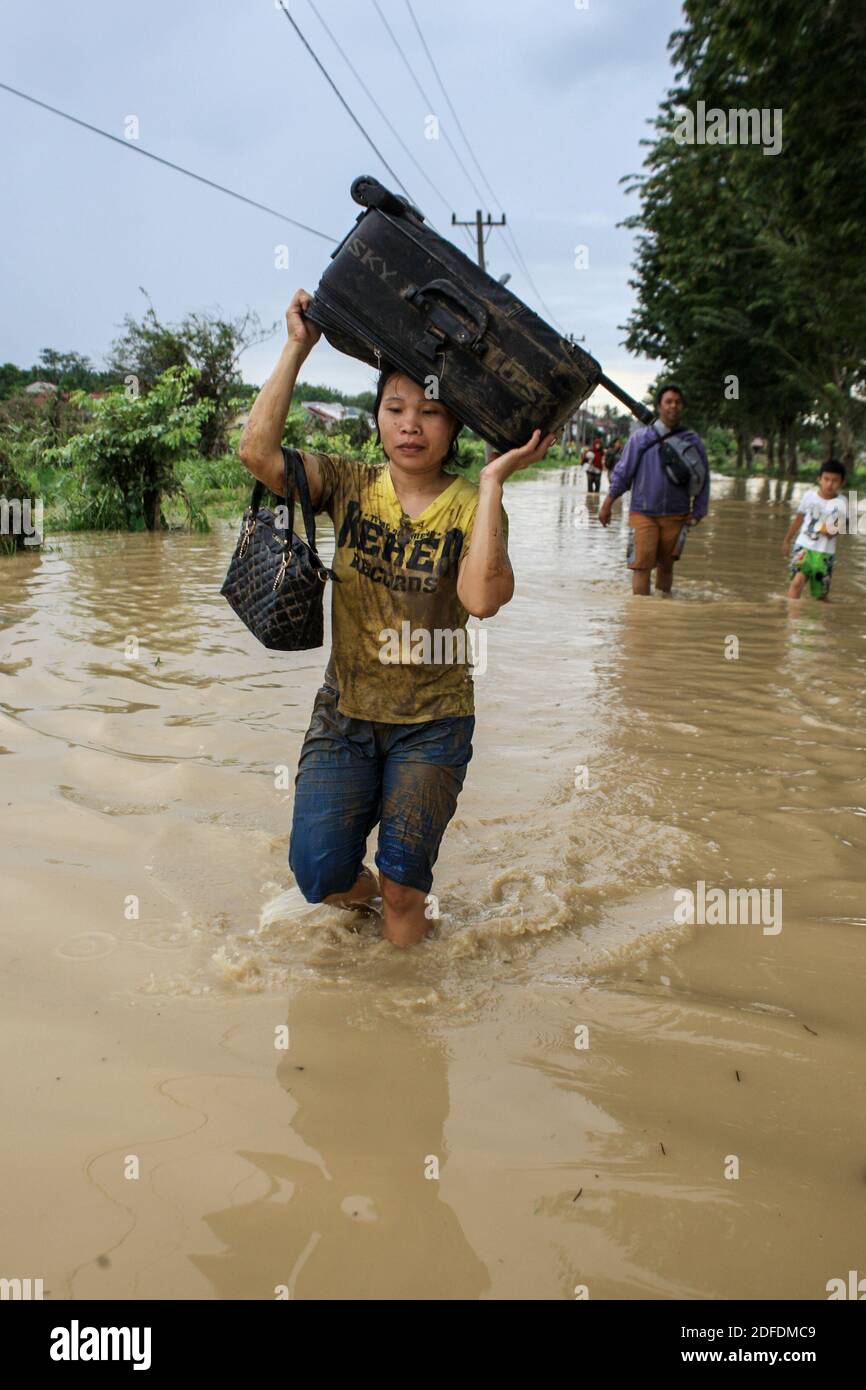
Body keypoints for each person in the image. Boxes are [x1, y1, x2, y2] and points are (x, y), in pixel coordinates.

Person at [238, 288, 556, 948]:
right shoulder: (348, 485)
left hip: (433, 724)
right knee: (318, 872)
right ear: (377, 418)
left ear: (454, 428)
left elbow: (482, 600)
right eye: (397, 408)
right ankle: (382, 901)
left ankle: (406, 1005)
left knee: (407, 885)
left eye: (432, 412)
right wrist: (298, 346)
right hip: (346, 713)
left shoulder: (472, 505)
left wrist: (495, 484)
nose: (412, 425)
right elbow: (258, 455)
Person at [598, 384, 710, 595]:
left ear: (682, 407)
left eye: (677, 402)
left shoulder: (692, 441)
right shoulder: (640, 439)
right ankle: (641, 618)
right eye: (668, 402)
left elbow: (704, 480)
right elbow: (623, 473)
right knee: (641, 566)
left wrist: (698, 513)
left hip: (677, 513)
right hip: (643, 512)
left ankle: (661, 614)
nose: (673, 406)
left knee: (667, 567)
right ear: (659, 406)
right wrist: (607, 504)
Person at [782, 459, 848, 601]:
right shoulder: (809, 496)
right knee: (796, 583)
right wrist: (787, 540)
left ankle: (820, 619)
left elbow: (836, 531)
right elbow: (798, 520)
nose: (830, 484)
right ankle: (791, 619)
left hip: (825, 554)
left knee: (821, 596)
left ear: (842, 483)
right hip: (803, 547)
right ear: (819, 479)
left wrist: (830, 529)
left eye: (835, 481)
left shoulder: (842, 502)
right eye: (826, 479)